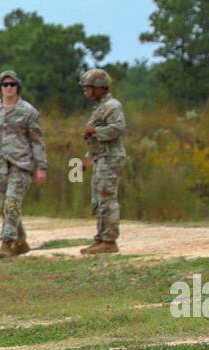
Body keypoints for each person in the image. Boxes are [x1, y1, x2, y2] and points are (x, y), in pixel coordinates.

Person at [0, 69, 48, 259]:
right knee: (6, 206)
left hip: (21, 165)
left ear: (18, 87)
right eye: (5, 85)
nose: (9, 88)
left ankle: (7, 243)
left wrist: (41, 167)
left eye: (12, 84)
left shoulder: (28, 111)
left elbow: (37, 141)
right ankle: (21, 241)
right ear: (0, 88)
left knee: (12, 203)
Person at [79, 68, 126, 255]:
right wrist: (88, 157)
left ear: (99, 88)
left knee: (107, 198)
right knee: (99, 199)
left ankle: (109, 240)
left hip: (111, 158)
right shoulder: (100, 108)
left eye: (88, 88)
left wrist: (95, 132)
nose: (86, 92)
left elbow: (118, 128)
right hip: (101, 158)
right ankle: (101, 238)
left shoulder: (113, 106)